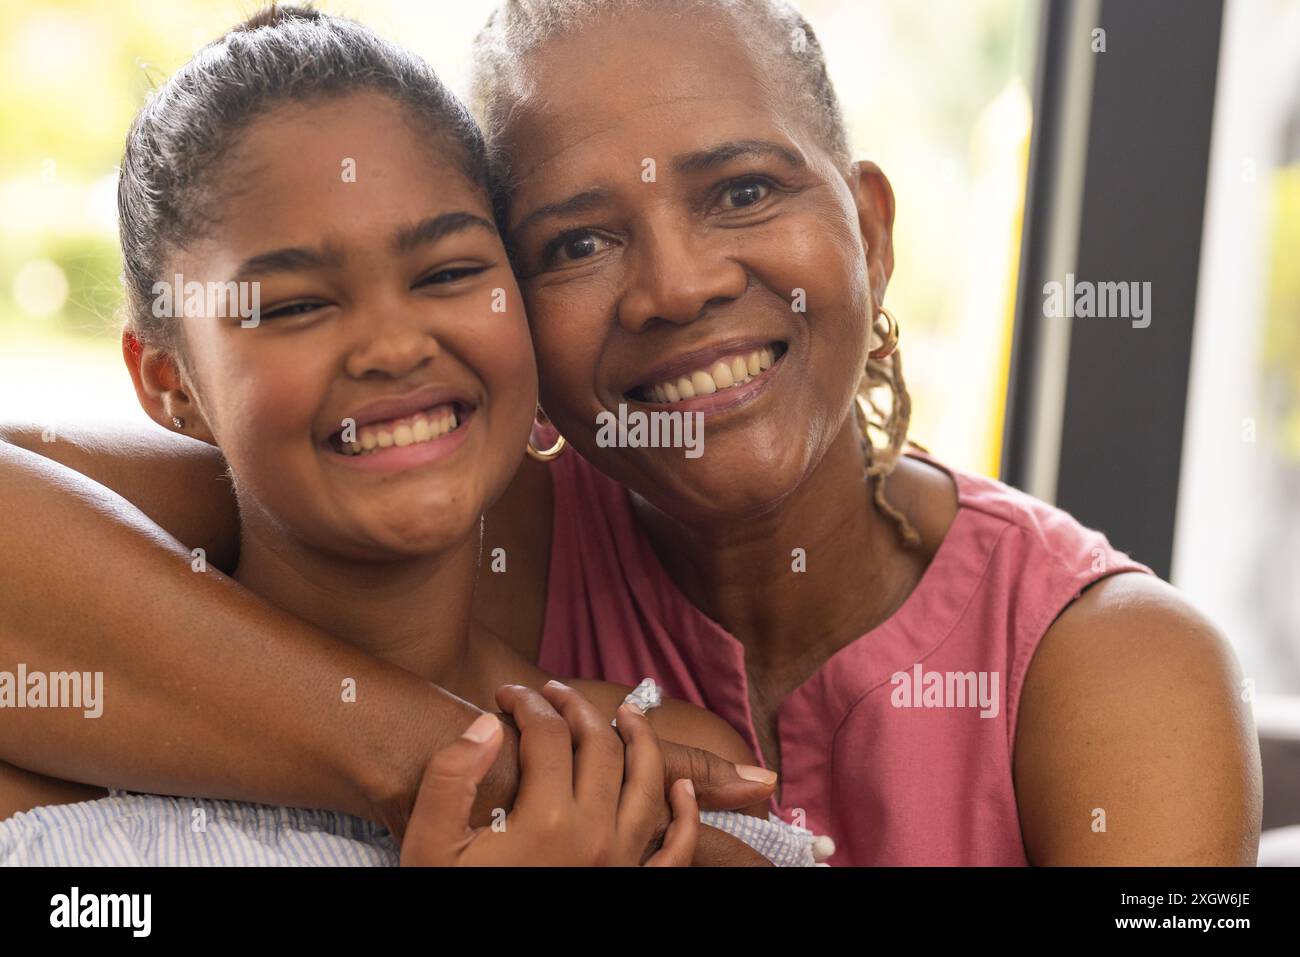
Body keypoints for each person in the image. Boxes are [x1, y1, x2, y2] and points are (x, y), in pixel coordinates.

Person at [0, 0, 1261, 865]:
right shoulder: (460, 506)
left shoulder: (1112, 665)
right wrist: (445, 760)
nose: (676, 286)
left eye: (745, 190)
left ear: (870, 232)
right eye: (578, 243)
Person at [0, 6, 805, 867]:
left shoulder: (659, 768)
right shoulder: (41, 755)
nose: (394, 346)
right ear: (171, 383)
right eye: (296, 305)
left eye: (451, 272)